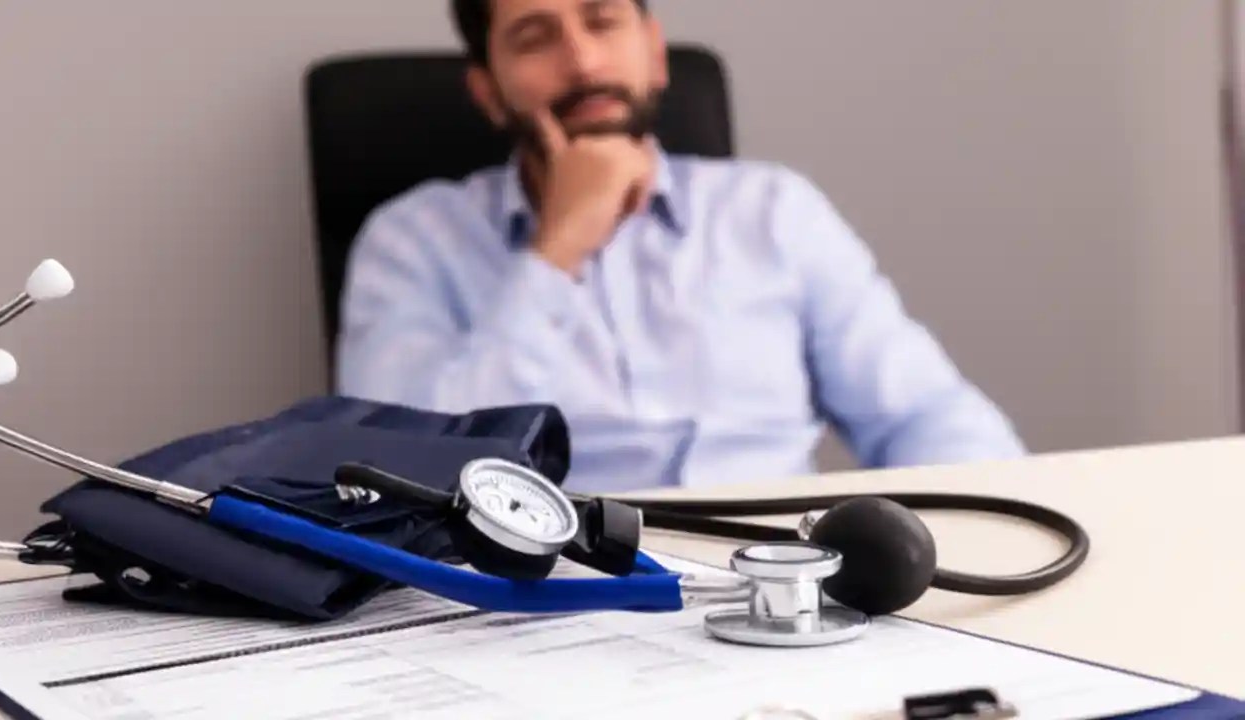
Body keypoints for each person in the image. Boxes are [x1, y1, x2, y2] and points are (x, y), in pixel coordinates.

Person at [335, 0, 1025, 492]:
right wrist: (559, 247)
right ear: (488, 92)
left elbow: (922, 414)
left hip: (784, 580)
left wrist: (995, 521)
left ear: (655, 53)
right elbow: (400, 473)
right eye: (535, 36)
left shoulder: (774, 211)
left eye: (603, 20)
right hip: (548, 598)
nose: (581, 60)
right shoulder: (411, 241)